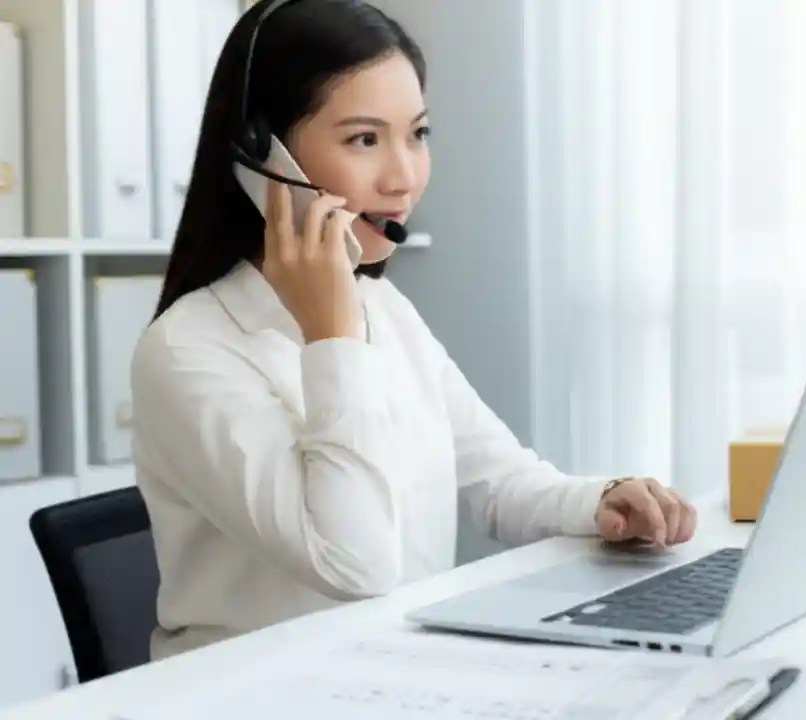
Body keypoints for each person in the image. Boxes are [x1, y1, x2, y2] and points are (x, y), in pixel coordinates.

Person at [133, 0, 697, 662]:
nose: (404, 177)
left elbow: (500, 483)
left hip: (393, 675)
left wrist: (603, 501)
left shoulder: (387, 311)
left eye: (418, 134)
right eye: (364, 139)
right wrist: (333, 337)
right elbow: (357, 568)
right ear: (262, 158)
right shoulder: (188, 350)